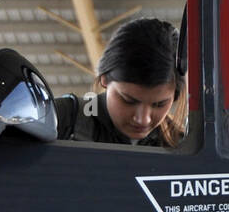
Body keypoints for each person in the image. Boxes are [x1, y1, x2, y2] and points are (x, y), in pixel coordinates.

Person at [54, 17, 188, 146]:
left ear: (175, 95)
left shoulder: (184, 146)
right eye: (128, 100)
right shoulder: (59, 119)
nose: (142, 119)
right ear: (104, 78)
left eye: (159, 104)